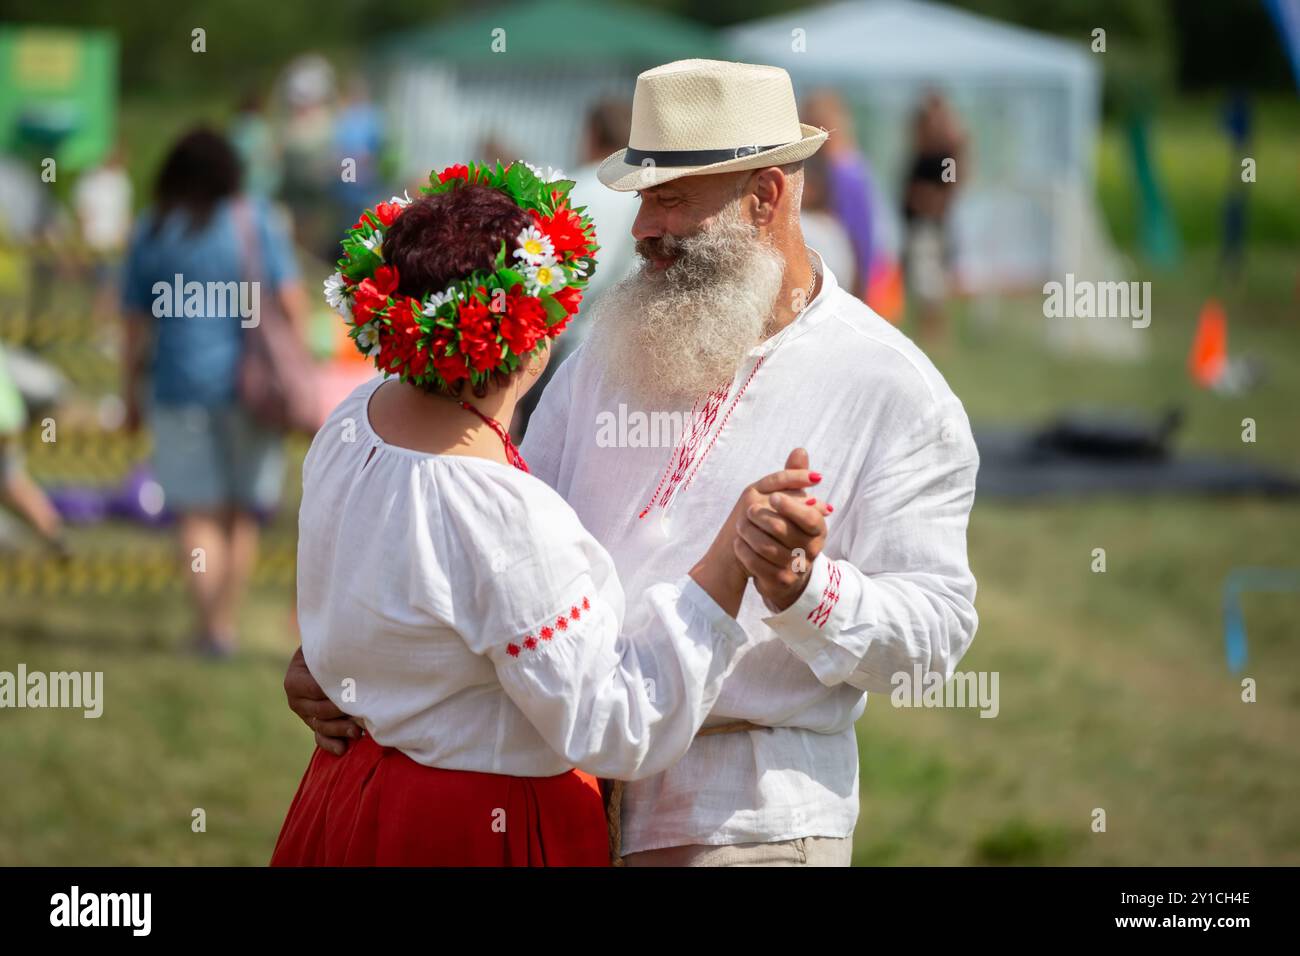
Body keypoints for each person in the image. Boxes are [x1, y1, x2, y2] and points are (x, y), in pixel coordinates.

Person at [288, 59, 979, 867]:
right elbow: (483, 532)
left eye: (671, 199)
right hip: (556, 786)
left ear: (768, 197)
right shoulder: (616, 342)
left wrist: (805, 589)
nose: (642, 228)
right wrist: (357, 658)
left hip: (745, 822)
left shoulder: (895, 390)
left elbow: (934, 642)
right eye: (641, 198)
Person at [270, 168, 831, 866]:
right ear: (533, 335)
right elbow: (615, 722)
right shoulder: (500, 513)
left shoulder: (354, 424)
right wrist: (727, 560)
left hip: (353, 798)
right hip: (474, 825)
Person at [120, 128, 308, 656]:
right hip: (251, 391)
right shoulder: (254, 221)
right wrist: (301, 366)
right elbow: (290, 302)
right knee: (242, 512)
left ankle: (212, 631)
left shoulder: (152, 229)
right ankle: (224, 622)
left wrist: (129, 396)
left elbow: (133, 326)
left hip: (177, 388)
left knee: (198, 515)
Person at [901, 90, 967, 346]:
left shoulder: (942, 156)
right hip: (919, 227)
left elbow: (946, 193)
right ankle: (929, 333)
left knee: (930, 284)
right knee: (923, 283)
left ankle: (935, 335)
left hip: (928, 229)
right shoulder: (923, 154)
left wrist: (924, 200)